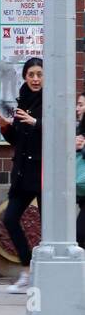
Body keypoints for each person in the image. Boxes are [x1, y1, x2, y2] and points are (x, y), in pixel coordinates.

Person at [0, 57, 43, 294]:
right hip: (23, 173)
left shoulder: (52, 100)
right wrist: (6, 127)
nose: (35, 79)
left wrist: (36, 122)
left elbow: (59, 129)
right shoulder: (22, 99)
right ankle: (27, 271)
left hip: (44, 175)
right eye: (31, 74)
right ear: (24, 77)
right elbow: (19, 140)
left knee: (50, 228)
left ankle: (47, 275)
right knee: (10, 219)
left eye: (39, 74)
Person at [74, 92, 84, 251]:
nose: (77, 108)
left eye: (81, 105)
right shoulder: (79, 128)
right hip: (82, 193)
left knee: (80, 234)